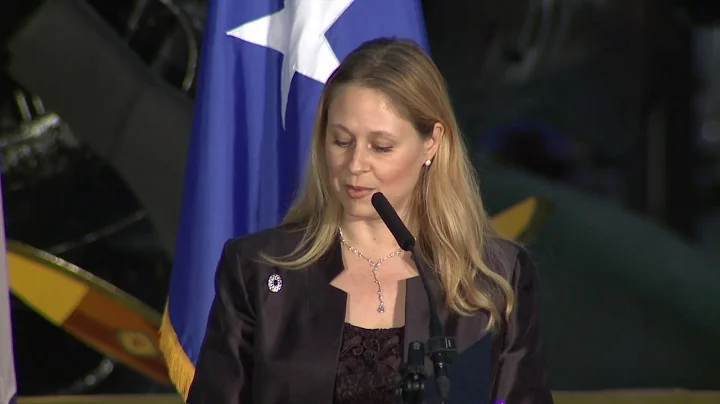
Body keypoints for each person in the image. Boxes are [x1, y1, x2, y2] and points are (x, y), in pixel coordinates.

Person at [187, 38, 553, 404]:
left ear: (432, 143)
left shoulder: (496, 278)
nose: (355, 165)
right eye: (341, 141)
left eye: (381, 146)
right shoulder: (257, 268)